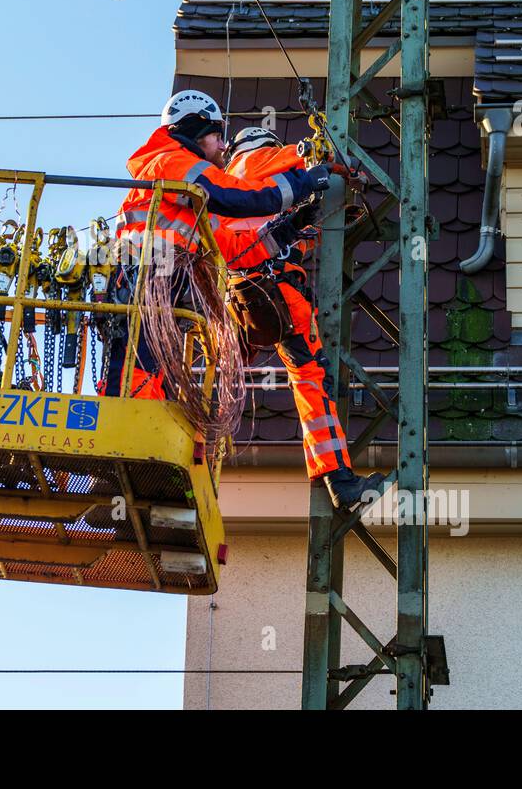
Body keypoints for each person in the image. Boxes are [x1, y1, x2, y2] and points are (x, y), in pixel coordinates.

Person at [101, 90, 328, 400]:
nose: (223, 145)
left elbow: (238, 249)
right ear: (194, 129)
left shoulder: (192, 206)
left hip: (160, 279)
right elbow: (237, 196)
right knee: (137, 360)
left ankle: (139, 423)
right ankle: (125, 423)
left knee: (152, 359)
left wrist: (291, 225)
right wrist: (303, 182)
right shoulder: (169, 161)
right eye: (216, 136)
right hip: (144, 274)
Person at [221, 125, 385, 509]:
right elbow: (307, 156)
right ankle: (339, 480)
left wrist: (305, 222)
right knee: (313, 379)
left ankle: (334, 476)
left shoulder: (235, 193)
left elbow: (272, 239)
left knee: (297, 378)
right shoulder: (253, 162)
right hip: (277, 294)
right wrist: (345, 168)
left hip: (248, 296)